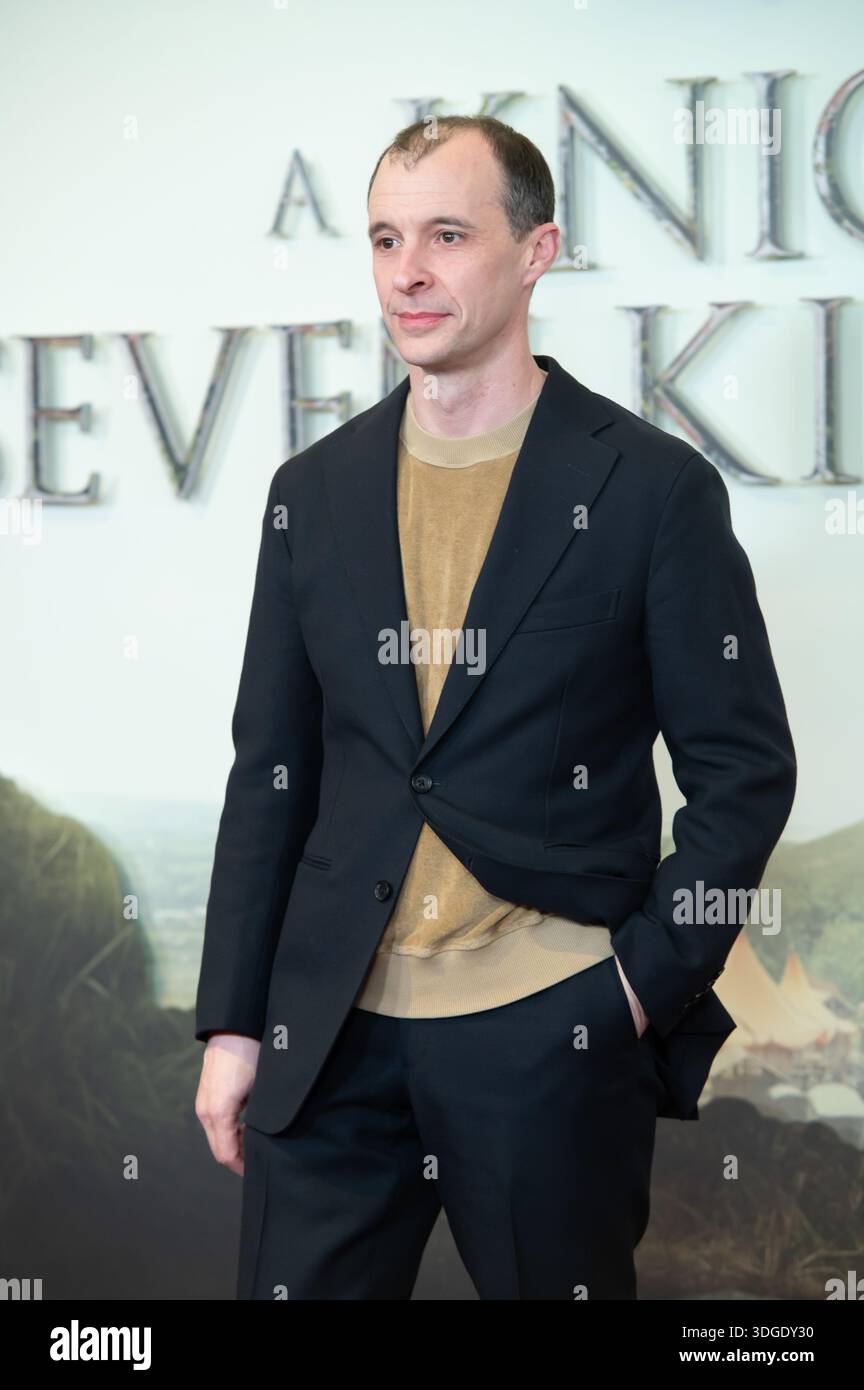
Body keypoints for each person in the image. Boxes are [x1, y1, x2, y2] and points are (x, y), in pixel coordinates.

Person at [194, 115, 797, 1300]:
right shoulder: (310, 495)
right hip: (326, 1037)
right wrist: (230, 1023)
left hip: (550, 1032)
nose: (407, 271)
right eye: (383, 238)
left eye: (447, 234)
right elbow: (271, 772)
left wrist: (634, 986)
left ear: (537, 251)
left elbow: (744, 772)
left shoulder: (651, 490)